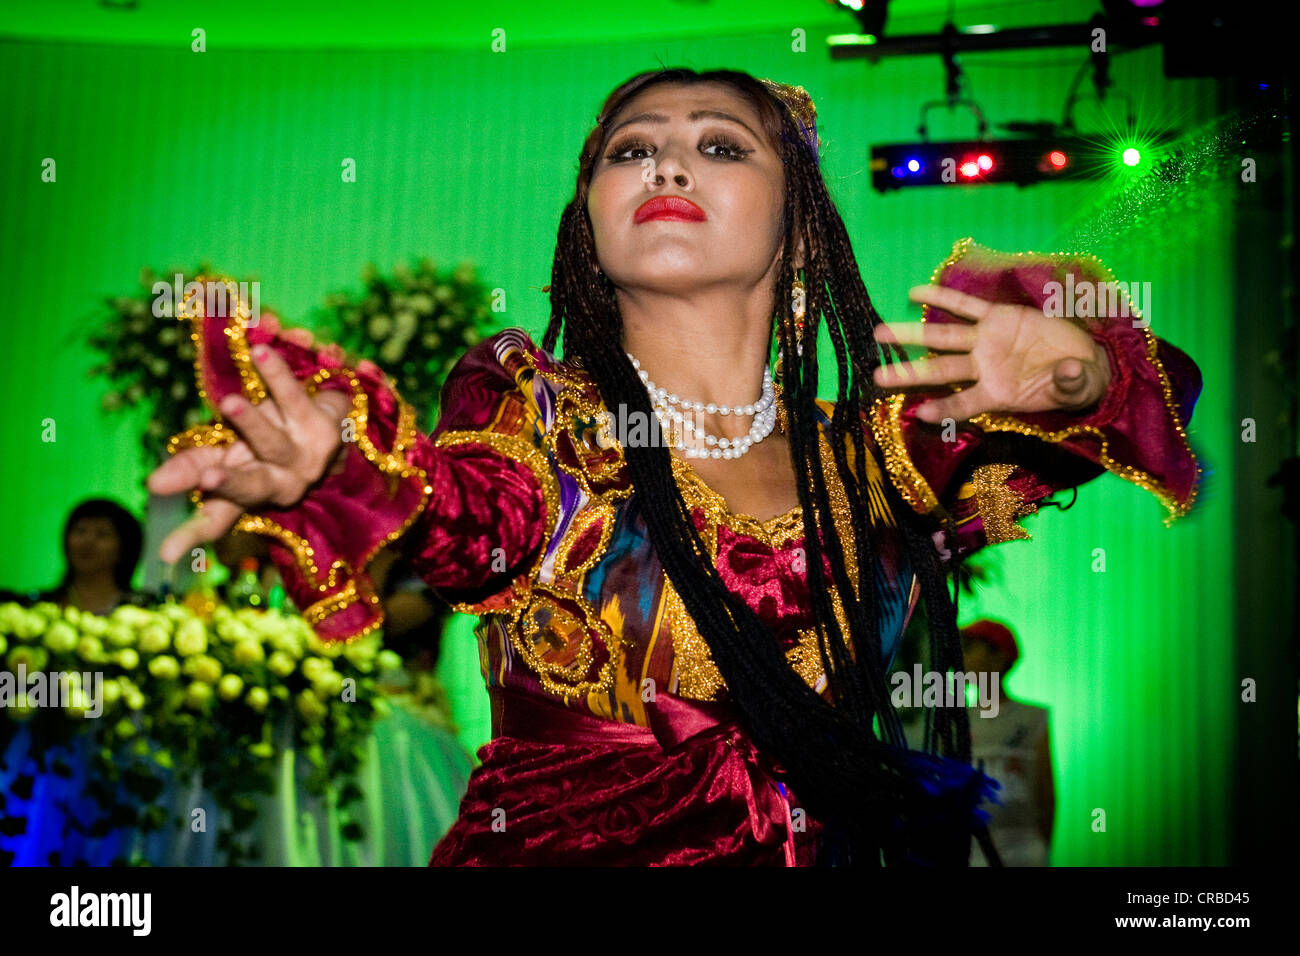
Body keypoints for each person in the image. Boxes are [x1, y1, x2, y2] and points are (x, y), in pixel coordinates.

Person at [146, 68, 1203, 866]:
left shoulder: (880, 452)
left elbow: (1148, 401)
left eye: (721, 146)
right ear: (590, 226)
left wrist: (1070, 373)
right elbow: (466, 517)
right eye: (629, 149)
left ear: (798, 236)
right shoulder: (538, 413)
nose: (665, 163)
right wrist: (340, 468)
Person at [958, 619, 1054, 867]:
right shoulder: (956, 720)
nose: (961, 660)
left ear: (999, 658)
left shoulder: (1032, 717)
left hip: (1022, 846)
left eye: (969, 649)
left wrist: (1042, 845)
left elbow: (1045, 790)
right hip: (972, 847)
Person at [37, 498, 150, 615]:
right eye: (80, 531)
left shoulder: (143, 610)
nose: (87, 542)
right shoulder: (41, 607)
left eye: (102, 534)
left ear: (125, 548)